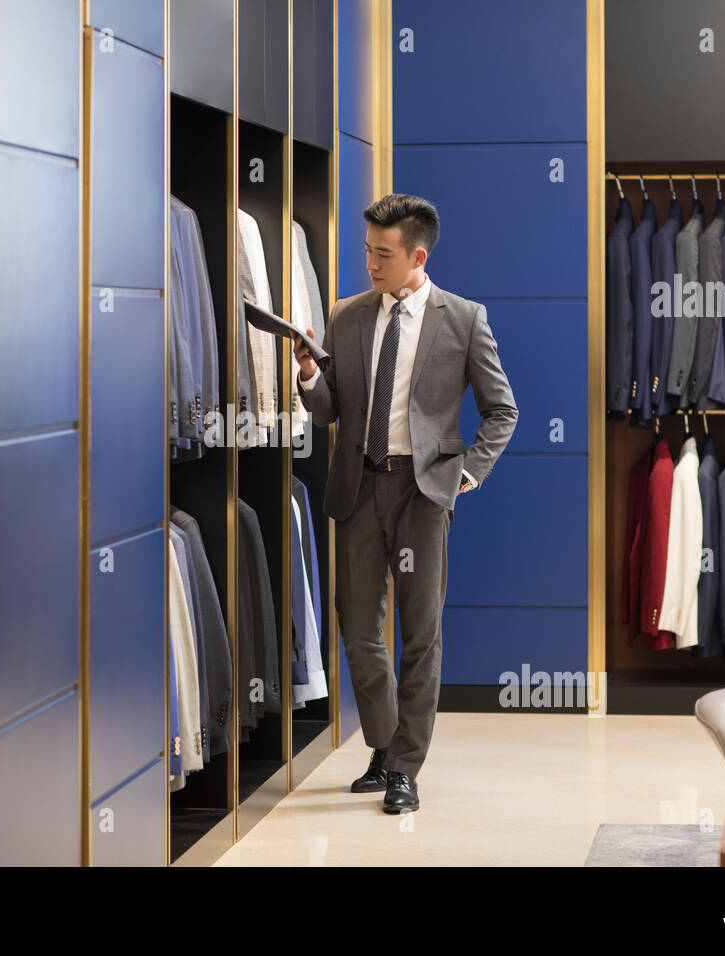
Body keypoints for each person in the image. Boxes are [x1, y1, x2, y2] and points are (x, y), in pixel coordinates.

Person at [293, 193, 517, 813]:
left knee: (420, 633)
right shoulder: (347, 315)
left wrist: (464, 475)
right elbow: (331, 408)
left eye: (382, 253)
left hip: (422, 496)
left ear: (418, 255)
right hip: (358, 488)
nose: (370, 262)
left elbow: (503, 410)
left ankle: (405, 769)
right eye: (367, 249)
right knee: (359, 629)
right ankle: (385, 746)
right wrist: (310, 375)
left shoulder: (464, 318)